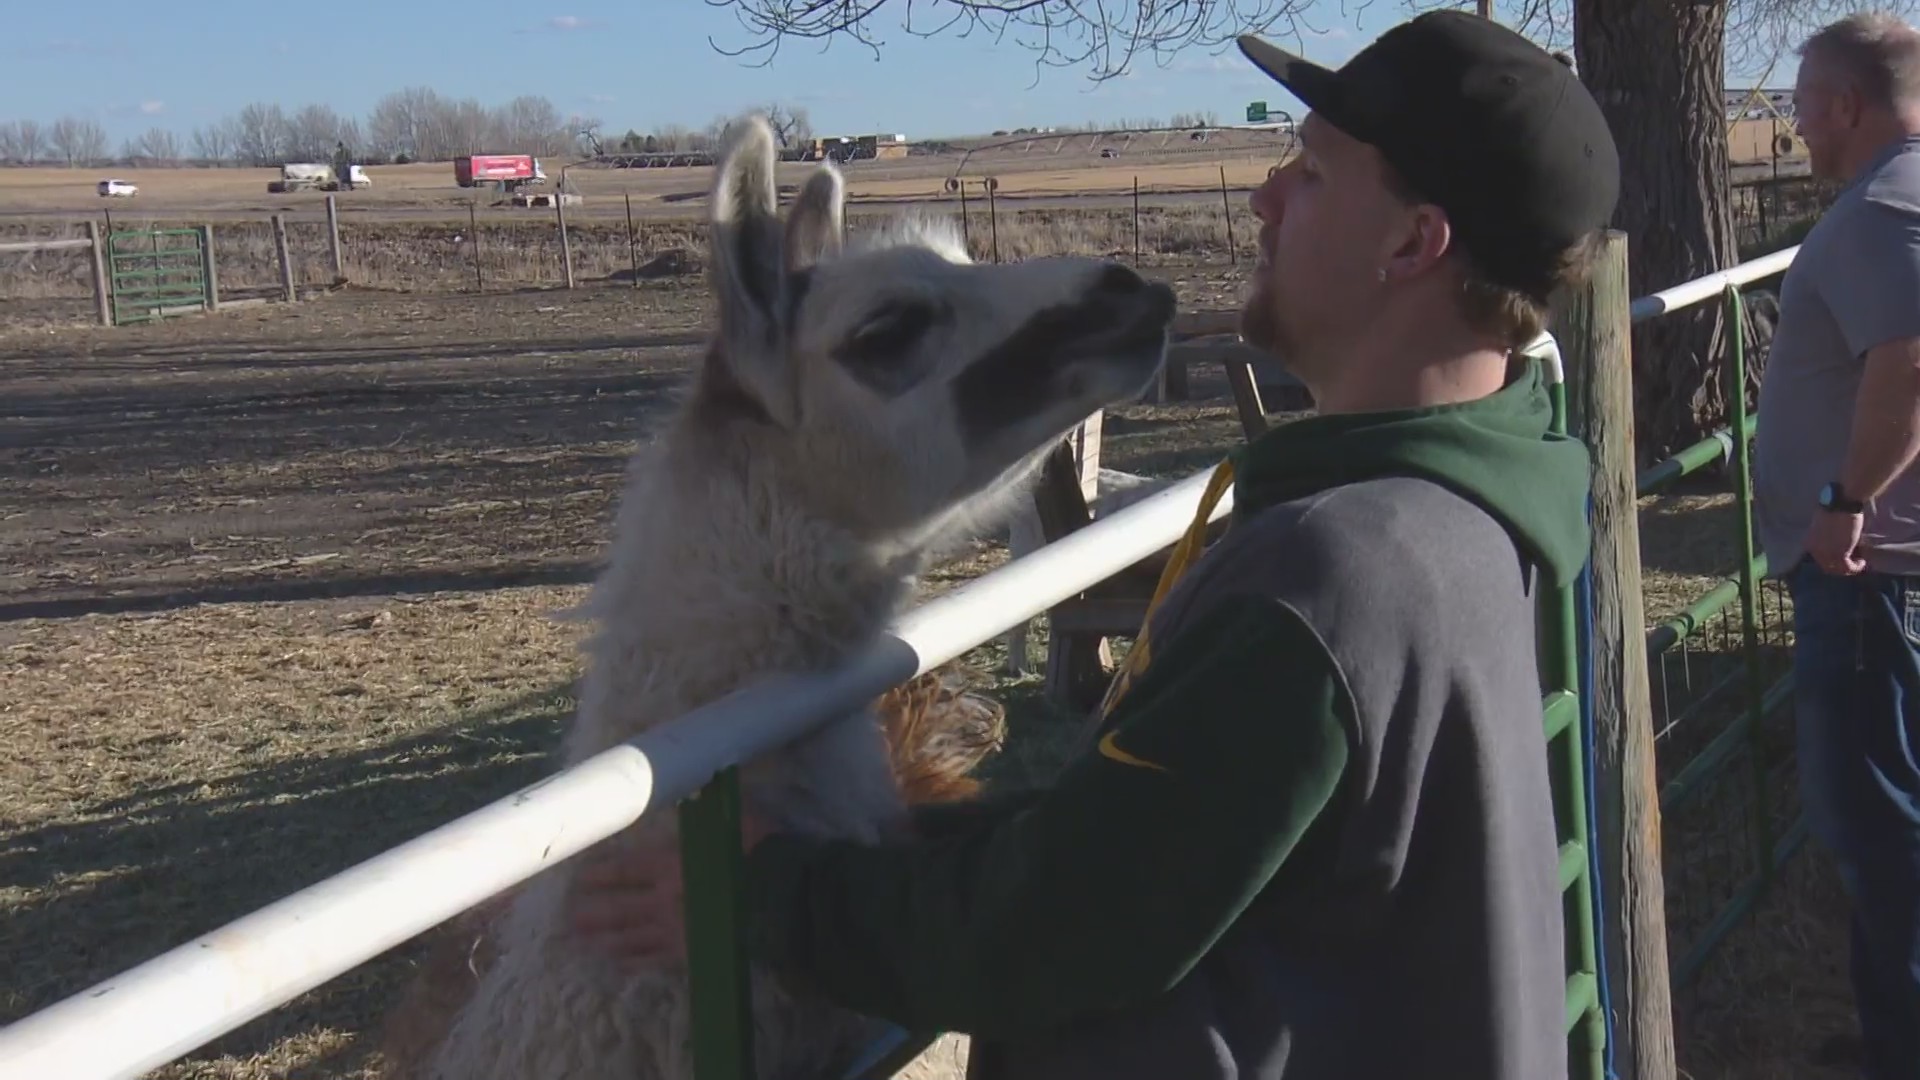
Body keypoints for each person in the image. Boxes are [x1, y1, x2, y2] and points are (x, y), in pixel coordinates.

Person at [569, 12, 1619, 1078]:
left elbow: (1061, 932)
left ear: (1412, 242)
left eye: (1309, 173)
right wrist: (859, 853)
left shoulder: (1338, 585)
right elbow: (1154, 848)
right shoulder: (1462, 523)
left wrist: (764, 894)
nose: (1263, 197)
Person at [1752, 13, 1920, 1079]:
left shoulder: (1880, 213)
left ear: (1847, 106)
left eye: (1802, 101)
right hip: (1884, 569)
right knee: (1885, 819)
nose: (1794, 122)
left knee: (1879, 823)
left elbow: (1906, 360)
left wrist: (1844, 499)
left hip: (1872, 573)